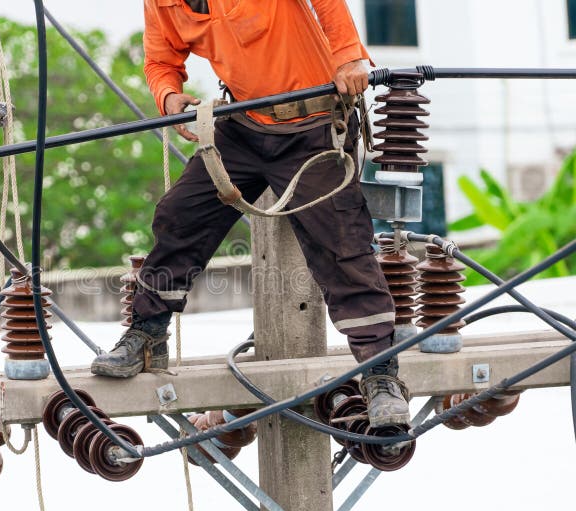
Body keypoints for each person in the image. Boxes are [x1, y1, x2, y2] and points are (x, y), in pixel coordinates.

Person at [91, 0, 410, 428]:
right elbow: (161, 59)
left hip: (314, 124)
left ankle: (380, 372)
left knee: (341, 246)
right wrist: (169, 98)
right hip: (242, 124)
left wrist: (349, 54)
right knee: (180, 216)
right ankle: (148, 334)